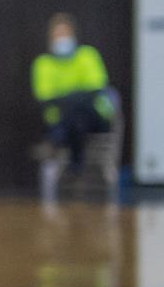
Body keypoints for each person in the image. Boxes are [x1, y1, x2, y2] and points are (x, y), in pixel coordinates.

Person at [34, 12, 114, 170]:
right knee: (75, 118)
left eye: (65, 33)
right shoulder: (43, 64)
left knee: (78, 114)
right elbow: (46, 98)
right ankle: (75, 162)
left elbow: (95, 89)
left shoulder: (87, 56)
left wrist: (67, 98)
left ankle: (71, 158)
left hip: (93, 117)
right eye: (58, 35)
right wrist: (76, 96)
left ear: (73, 35)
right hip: (62, 120)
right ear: (50, 39)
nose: (62, 38)